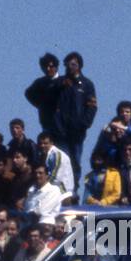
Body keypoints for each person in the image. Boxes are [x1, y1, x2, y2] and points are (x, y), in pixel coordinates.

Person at [52, 51, 97, 188]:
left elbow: (92, 107)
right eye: (67, 64)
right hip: (60, 132)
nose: (70, 67)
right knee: (61, 162)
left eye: (73, 64)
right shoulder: (60, 83)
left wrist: (84, 124)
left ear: (79, 66)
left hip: (77, 132)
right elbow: (52, 105)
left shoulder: (87, 84)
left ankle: (74, 191)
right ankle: (61, 191)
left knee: (75, 162)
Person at [24, 52, 64, 140]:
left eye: (51, 66)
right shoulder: (40, 82)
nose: (48, 69)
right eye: (45, 67)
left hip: (64, 124)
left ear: (56, 67)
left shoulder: (64, 80)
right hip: (47, 122)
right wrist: (41, 105)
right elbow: (28, 93)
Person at [37, 132, 74, 200]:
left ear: (51, 143)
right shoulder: (43, 155)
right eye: (40, 143)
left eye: (45, 143)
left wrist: (43, 186)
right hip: (52, 191)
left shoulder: (57, 154)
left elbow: (56, 176)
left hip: (62, 193)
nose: (42, 146)